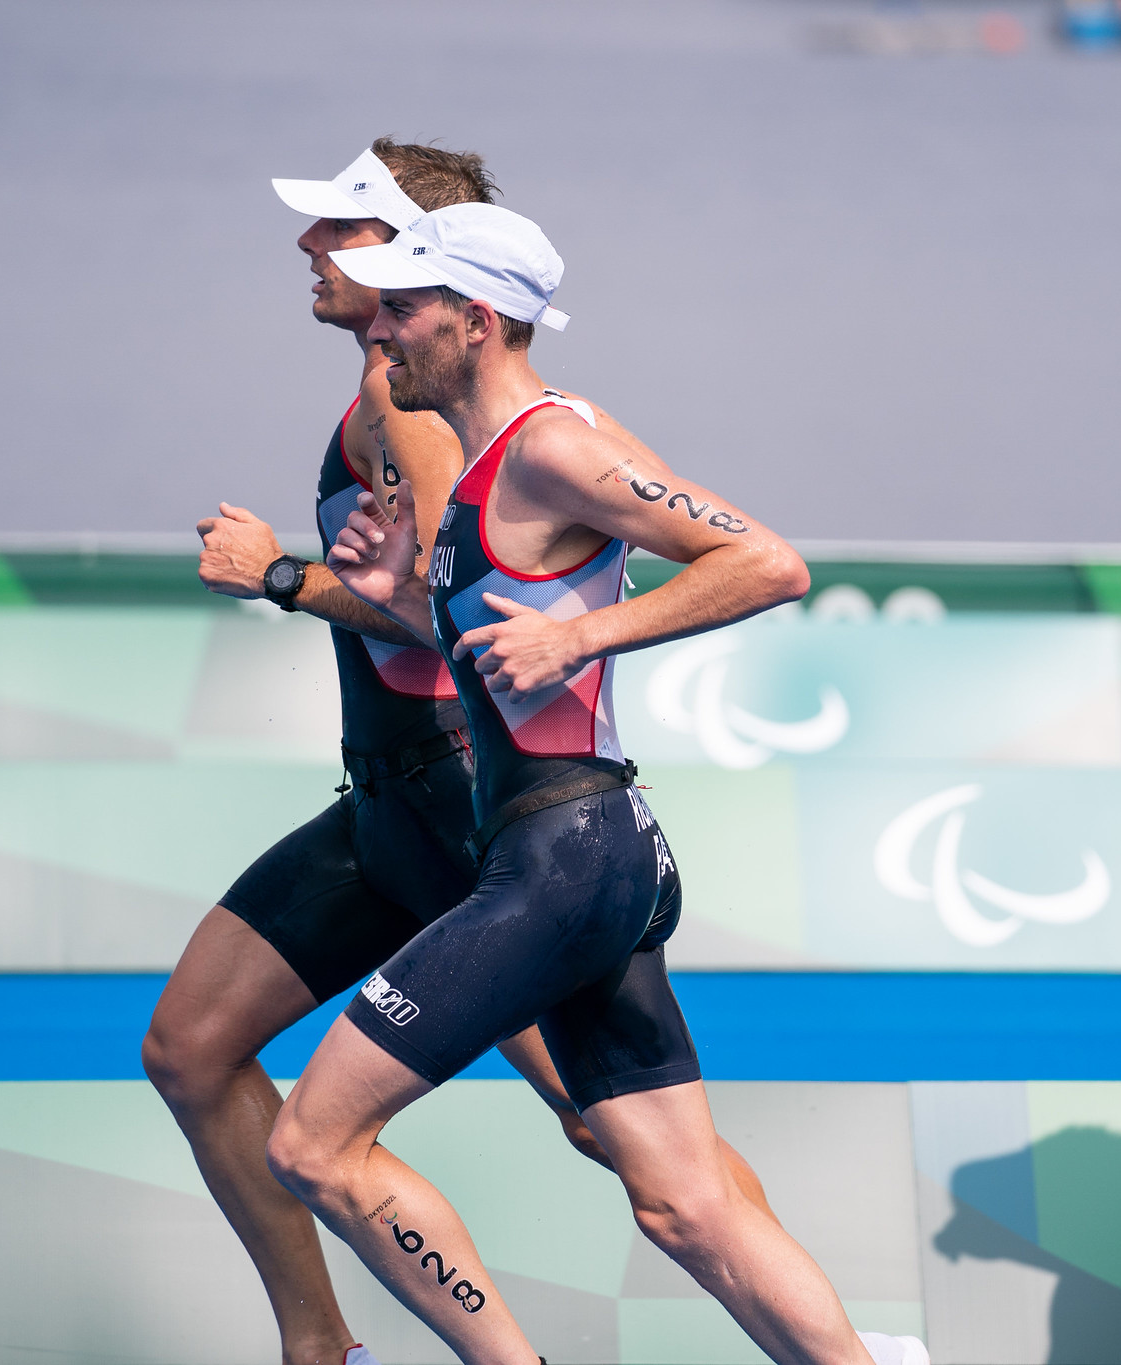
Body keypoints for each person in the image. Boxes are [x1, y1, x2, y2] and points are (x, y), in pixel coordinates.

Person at [142, 142, 772, 1365]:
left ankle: (825, 1340)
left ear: (403, 252)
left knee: (621, 1134)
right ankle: (321, 1347)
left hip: (452, 799)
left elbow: (450, 610)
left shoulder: (407, 409)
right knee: (191, 1048)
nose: (308, 247)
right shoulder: (389, 393)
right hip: (382, 805)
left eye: (337, 229)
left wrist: (279, 577)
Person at [268, 201, 921, 1365]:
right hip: (581, 854)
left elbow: (767, 563)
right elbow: (496, 629)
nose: (384, 329)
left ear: (475, 320)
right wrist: (389, 590)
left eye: (405, 307)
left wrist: (583, 636)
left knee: (311, 1146)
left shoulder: (551, 446)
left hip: (563, 861)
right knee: (685, 1206)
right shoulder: (484, 465)